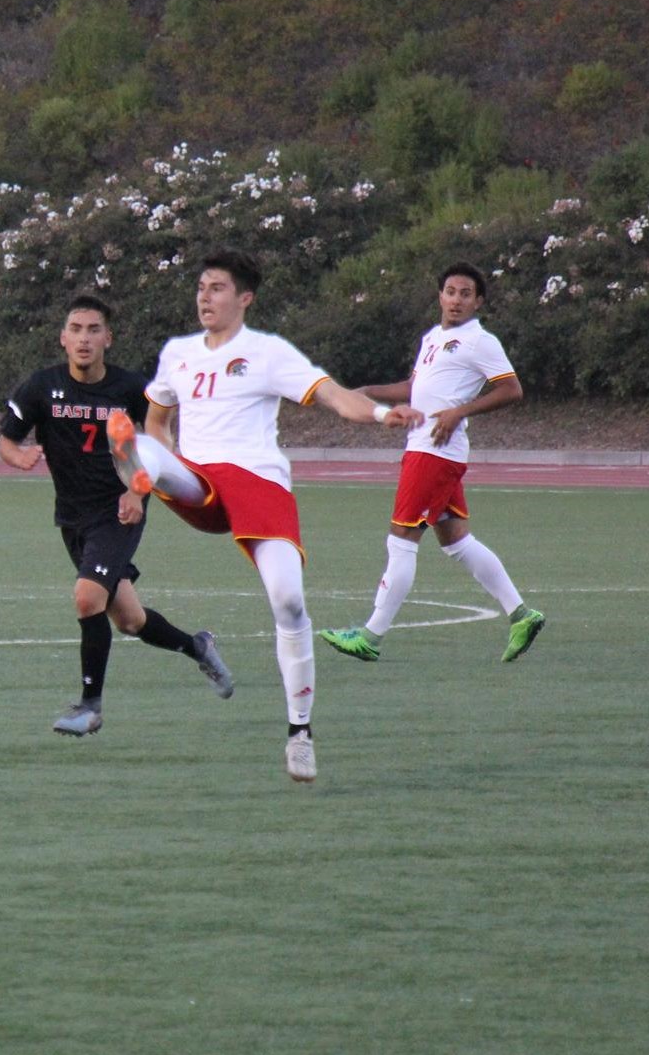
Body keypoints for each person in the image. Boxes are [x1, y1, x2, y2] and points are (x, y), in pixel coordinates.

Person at [106, 250, 422, 783]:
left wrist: (381, 413)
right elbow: (159, 416)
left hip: (258, 485)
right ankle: (140, 468)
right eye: (202, 287)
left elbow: (336, 398)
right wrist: (159, 466)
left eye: (218, 288)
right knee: (137, 436)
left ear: (245, 298)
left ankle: (300, 731)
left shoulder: (268, 353)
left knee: (289, 601)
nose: (205, 296)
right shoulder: (178, 353)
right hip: (198, 483)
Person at [0, 293, 235, 737]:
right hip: (72, 519)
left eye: (93, 330)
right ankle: (197, 646)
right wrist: (20, 456)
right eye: (76, 329)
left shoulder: (130, 390)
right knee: (129, 620)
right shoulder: (41, 387)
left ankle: (90, 706)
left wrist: (135, 489)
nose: (84, 339)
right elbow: (6, 441)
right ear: (62, 339)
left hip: (119, 512)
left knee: (87, 598)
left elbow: (158, 447)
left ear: (108, 338)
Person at [316, 263, 546, 664]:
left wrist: (459, 411)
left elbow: (512, 389)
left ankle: (371, 636)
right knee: (457, 542)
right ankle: (521, 615)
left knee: (401, 541)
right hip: (427, 448)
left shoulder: (480, 341)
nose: (456, 300)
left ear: (478, 302)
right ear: (440, 296)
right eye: (451, 292)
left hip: (434, 452)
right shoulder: (432, 338)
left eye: (465, 293)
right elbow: (414, 388)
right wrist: (367, 392)